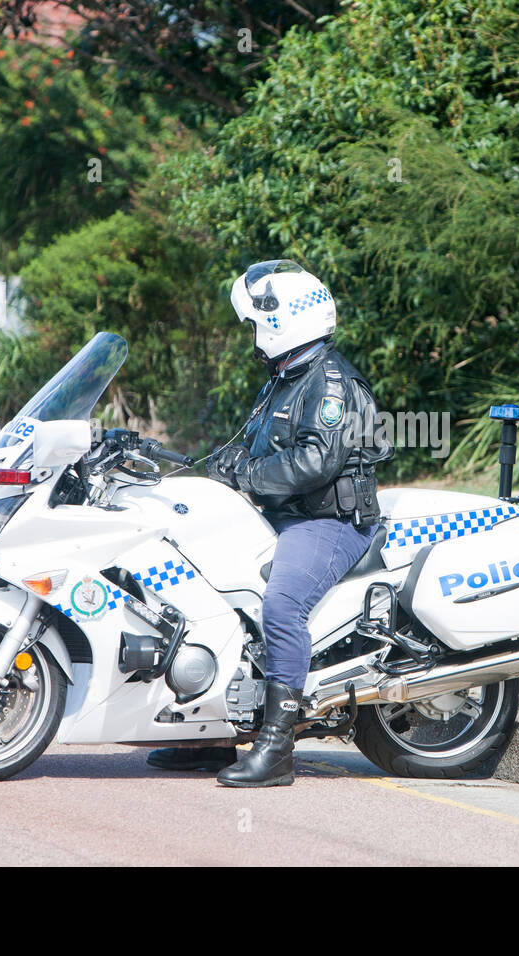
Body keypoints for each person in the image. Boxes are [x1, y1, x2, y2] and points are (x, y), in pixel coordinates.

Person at [148, 260, 389, 787]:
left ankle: (277, 748)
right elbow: (242, 451)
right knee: (200, 579)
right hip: (278, 514)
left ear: (284, 322)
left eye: (255, 323)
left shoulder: (330, 384)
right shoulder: (286, 376)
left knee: (281, 607)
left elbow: (314, 464)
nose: (251, 334)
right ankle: (211, 733)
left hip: (326, 521)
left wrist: (247, 477)